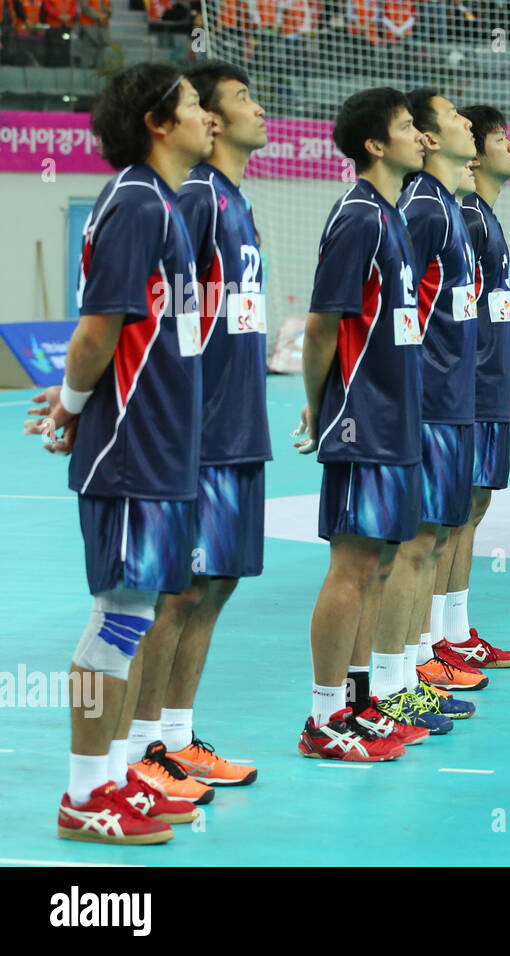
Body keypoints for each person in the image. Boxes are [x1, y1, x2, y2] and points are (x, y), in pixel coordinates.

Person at [27, 63, 213, 842]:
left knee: (133, 618)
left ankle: (111, 783)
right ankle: (82, 796)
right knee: (117, 618)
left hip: (161, 445)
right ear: (157, 122)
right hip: (129, 448)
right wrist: (69, 409)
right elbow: (99, 331)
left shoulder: (164, 205)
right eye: (195, 106)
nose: (207, 116)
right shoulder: (137, 202)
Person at [119, 62, 268, 804]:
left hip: (239, 426)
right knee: (175, 592)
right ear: (207, 120)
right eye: (242, 98)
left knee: (215, 586)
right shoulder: (200, 199)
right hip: (199, 432)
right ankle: (141, 745)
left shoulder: (234, 200)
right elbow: (160, 318)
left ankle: (176, 738)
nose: (257, 107)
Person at [294, 87, 432, 760]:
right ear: (375, 144)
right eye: (409, 128)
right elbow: (323, 325)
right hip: (361, 419)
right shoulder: (358, 217)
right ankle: (322, 719)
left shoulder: (394, 217)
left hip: (396, 416)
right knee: (351, 565)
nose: (422, 138)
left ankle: (358, 703)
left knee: (376, 566)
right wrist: (321, 406)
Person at [378, 88, 488, 726]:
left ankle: (415, 664)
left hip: (453, 399)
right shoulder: (421, 207)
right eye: (453, 118)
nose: (466, 124)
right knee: (413, 543)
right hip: (424, 402)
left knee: (432, 540)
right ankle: (393, 681)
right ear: (424, 136)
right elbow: (397, 310)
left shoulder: (451, 208)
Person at [450, 104, 510, 663]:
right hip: (468, 387)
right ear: (474, 153)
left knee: (473, 507)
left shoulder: (489, 218)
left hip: (492, 383)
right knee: (454, 513)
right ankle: (437, 637)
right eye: (501, 138)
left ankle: (454, 630)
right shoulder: (468, 219)